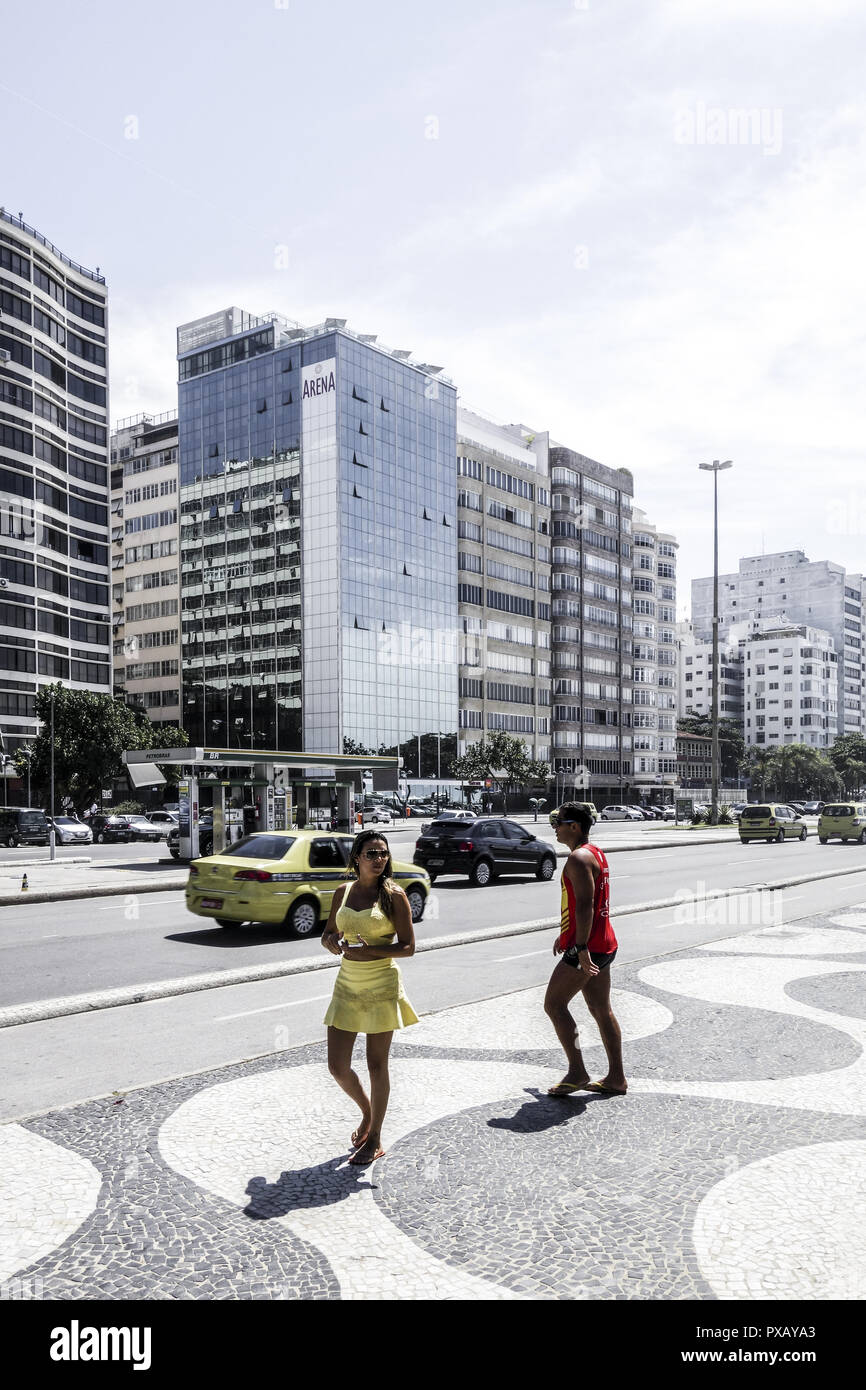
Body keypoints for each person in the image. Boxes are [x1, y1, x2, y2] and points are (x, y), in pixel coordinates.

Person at [321, 830, 418, 1165]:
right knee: (337, 1066)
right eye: (372, 853)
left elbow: (408, 947)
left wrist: (370, 951)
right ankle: (367, 1111)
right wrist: (332, 943)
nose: (379, 859)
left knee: (377, 1064)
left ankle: (375, 1136)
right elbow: (328, 934)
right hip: (347, 983)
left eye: (383, 854)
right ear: (357, 858)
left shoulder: (394, 895)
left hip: (381, 984)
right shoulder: (342, 892)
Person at [543, 803, 627, 1097]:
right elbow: (584, 905)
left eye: (559, 823)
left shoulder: (578, 859)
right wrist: (565, 935)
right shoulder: (595, 853)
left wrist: (578, 948)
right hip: (604, 943)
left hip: (588, 948)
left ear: (574, 827)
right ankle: (616, 1077)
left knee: (554, 1005)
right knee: (601, 1010)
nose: (555, 827)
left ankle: (577, 1071)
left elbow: (586, 906)